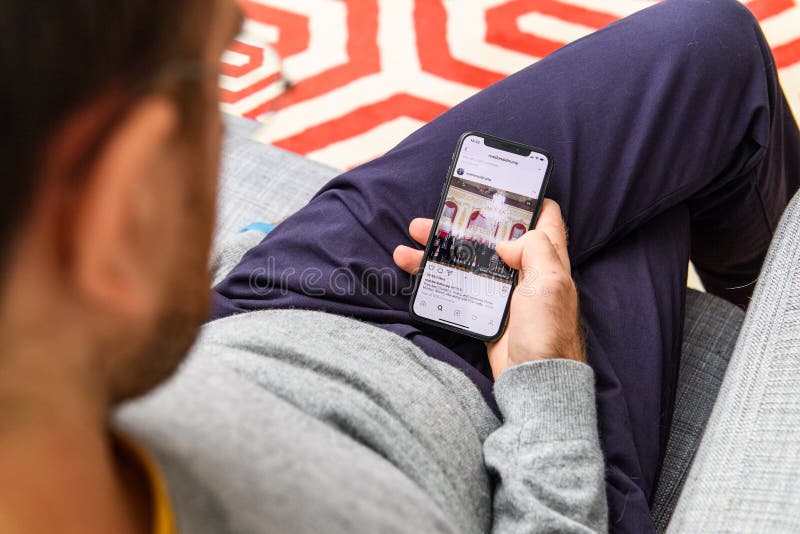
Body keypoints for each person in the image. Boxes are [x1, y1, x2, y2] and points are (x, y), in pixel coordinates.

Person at [0, 3, 797, 534]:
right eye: (216, 81)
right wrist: (547, 378)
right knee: (668, 173)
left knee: (704, 47)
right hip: (508, 424)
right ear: (123, 206)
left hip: (277, 308)